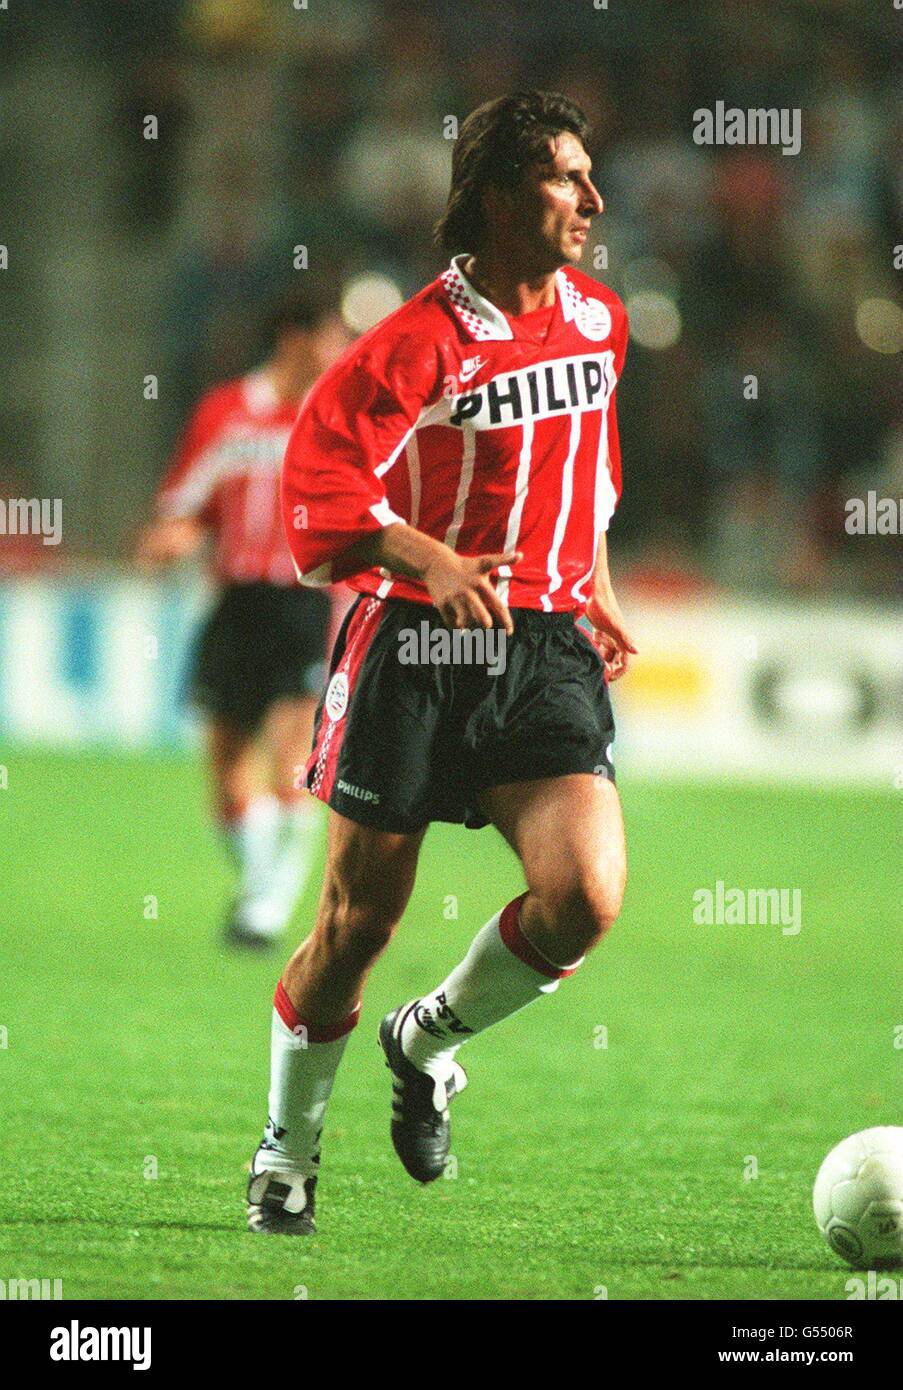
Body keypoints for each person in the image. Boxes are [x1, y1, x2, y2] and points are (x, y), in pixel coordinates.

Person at [247, 91, 637, 1234]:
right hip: (416, 643)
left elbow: (592, 466)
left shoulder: (601, 321)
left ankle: (423, 1042)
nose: (592, 199)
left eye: (587, 173)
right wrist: (433, 555)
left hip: (544, 642)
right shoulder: (419, 340)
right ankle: (288, 1148)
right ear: (506, 195)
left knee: (585, 897)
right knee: (356, 925)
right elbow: (319, 490)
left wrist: (598, 586)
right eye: (568, 177)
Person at [136, 289, 350, 947]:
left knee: (290, 752)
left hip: (302, 601)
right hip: (236, 601)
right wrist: (172, 534)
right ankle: (262, 890)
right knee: (227, 765)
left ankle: (264, 910)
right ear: (294, 338)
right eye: (332, 337)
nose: (341, 353)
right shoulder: (226, 414)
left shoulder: (340, 420)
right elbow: (184, 503)